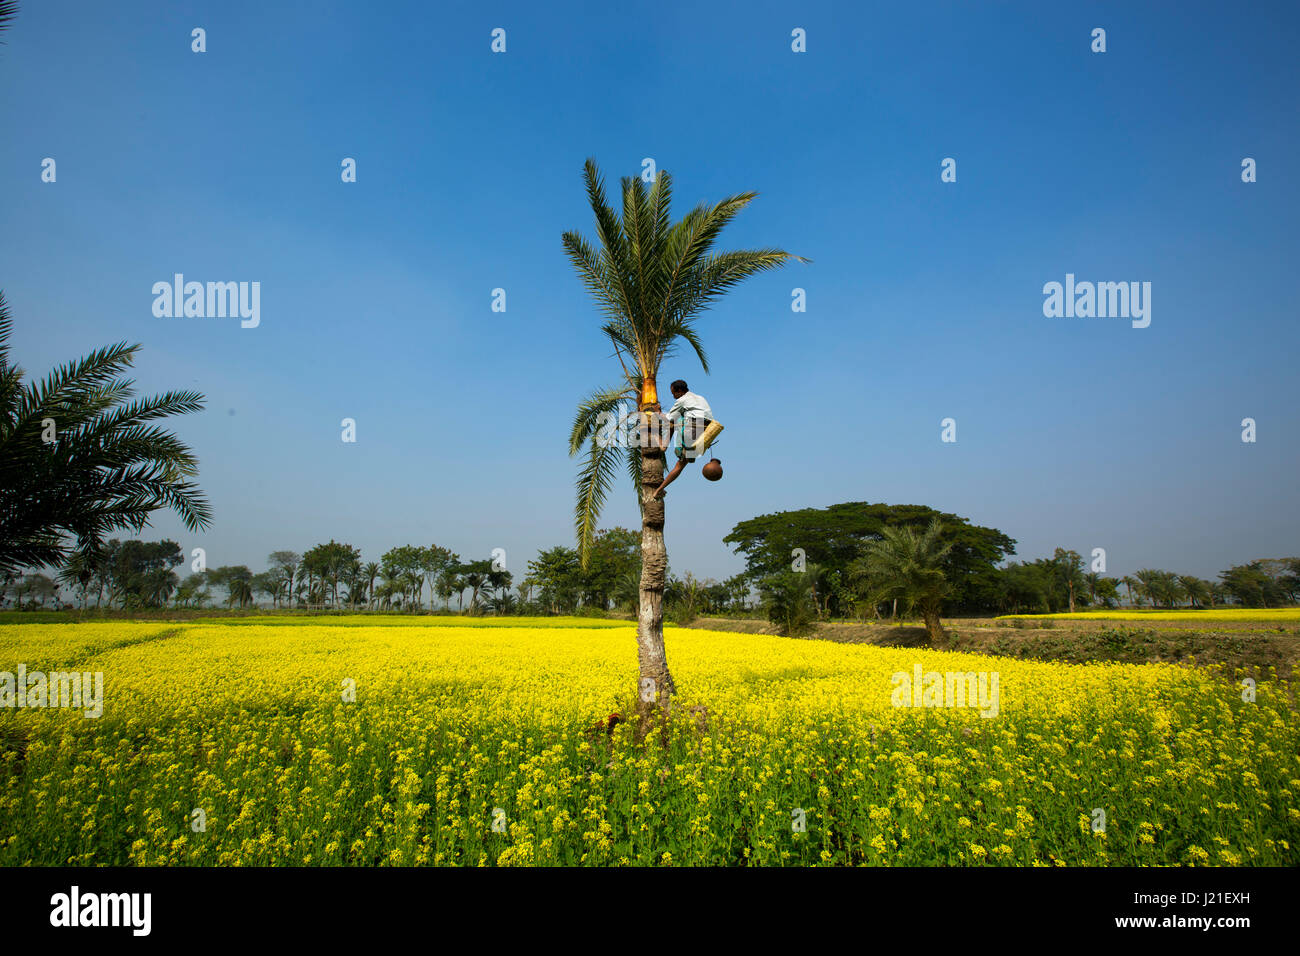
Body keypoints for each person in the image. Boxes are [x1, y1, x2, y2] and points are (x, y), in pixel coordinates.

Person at [647, 380, 720, 501]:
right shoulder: (700, 397)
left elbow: (668, 418)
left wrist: (657, 411)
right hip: (705, 432)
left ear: (679, 391)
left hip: (692, 429)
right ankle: (660, 489)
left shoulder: (681, 400)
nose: (673, 396)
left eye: (673, 393)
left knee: (673, 422)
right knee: (681, 465)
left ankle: (662, 446)